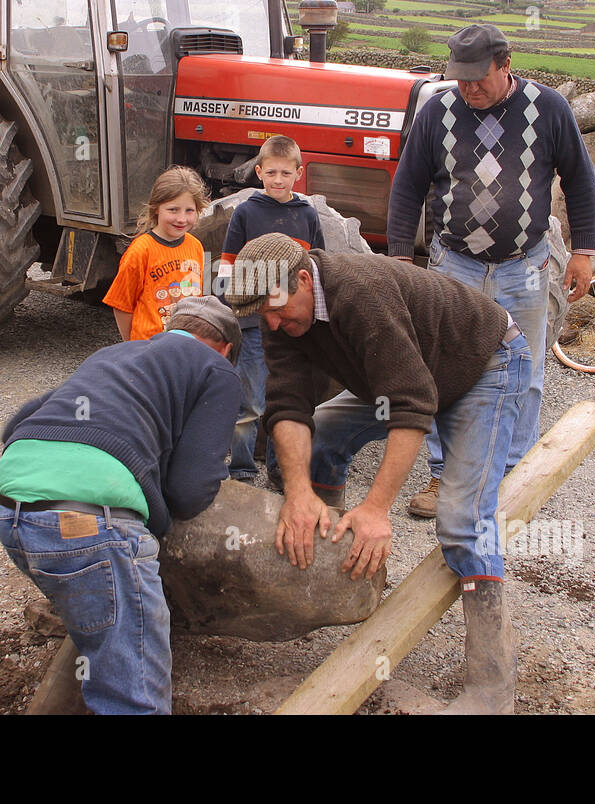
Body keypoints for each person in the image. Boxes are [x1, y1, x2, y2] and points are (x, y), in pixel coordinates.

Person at [225, 233, 530, 714]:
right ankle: (332, 567)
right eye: (262, 315)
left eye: (276, 309)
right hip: (408, 376)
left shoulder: (359, 292)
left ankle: (492, 685)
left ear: (304, 279)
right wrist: (300, 493)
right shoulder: (281, 313)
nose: (273, 323)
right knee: (323, 431)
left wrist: (376, 508)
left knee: (461, 519)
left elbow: (411, 403)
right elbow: (287, 403)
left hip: (482, 365)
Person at [385, 23, 595, 518]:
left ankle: (510, 480)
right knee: (446, 366)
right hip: (454, 262)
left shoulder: (548, 109)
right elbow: (408, 184)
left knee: (525, 370)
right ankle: (446, 477)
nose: (469, 89)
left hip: (524, 264)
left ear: (506, 64)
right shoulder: (437, 110)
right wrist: (399, 258)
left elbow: (581, 181)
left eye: (479, 78)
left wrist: (585, 250)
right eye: (461, 79)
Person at [0, 295, 242, 714]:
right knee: (133, 699)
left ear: (169, 330)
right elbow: (189, 489)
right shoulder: (217, 370)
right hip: (92, 527)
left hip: (12, 510)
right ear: (226, 349)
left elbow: (15, 426)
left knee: (103, 637)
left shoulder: (116, 353)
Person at [218, 135, 324, 483]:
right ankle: (243, 471)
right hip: (252, 324)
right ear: (259, 172)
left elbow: (320, 266)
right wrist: (228, 309)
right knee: (249, 401)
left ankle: (282, 472)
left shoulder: (307, 214)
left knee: (288, 399)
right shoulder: (247, 212)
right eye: (271, 173)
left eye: (285, 173)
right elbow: (229, 265)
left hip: (294, 327)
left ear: (299, 173)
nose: (278, 180)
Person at [103, 167, 209, 341]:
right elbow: (122, 305)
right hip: (149, 349)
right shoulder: (141, 250)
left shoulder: (195, 246)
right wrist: (131, 344)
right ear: (156, 208)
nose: (181, 219)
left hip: (185, 344)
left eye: (189, 210)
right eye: (173, 210)